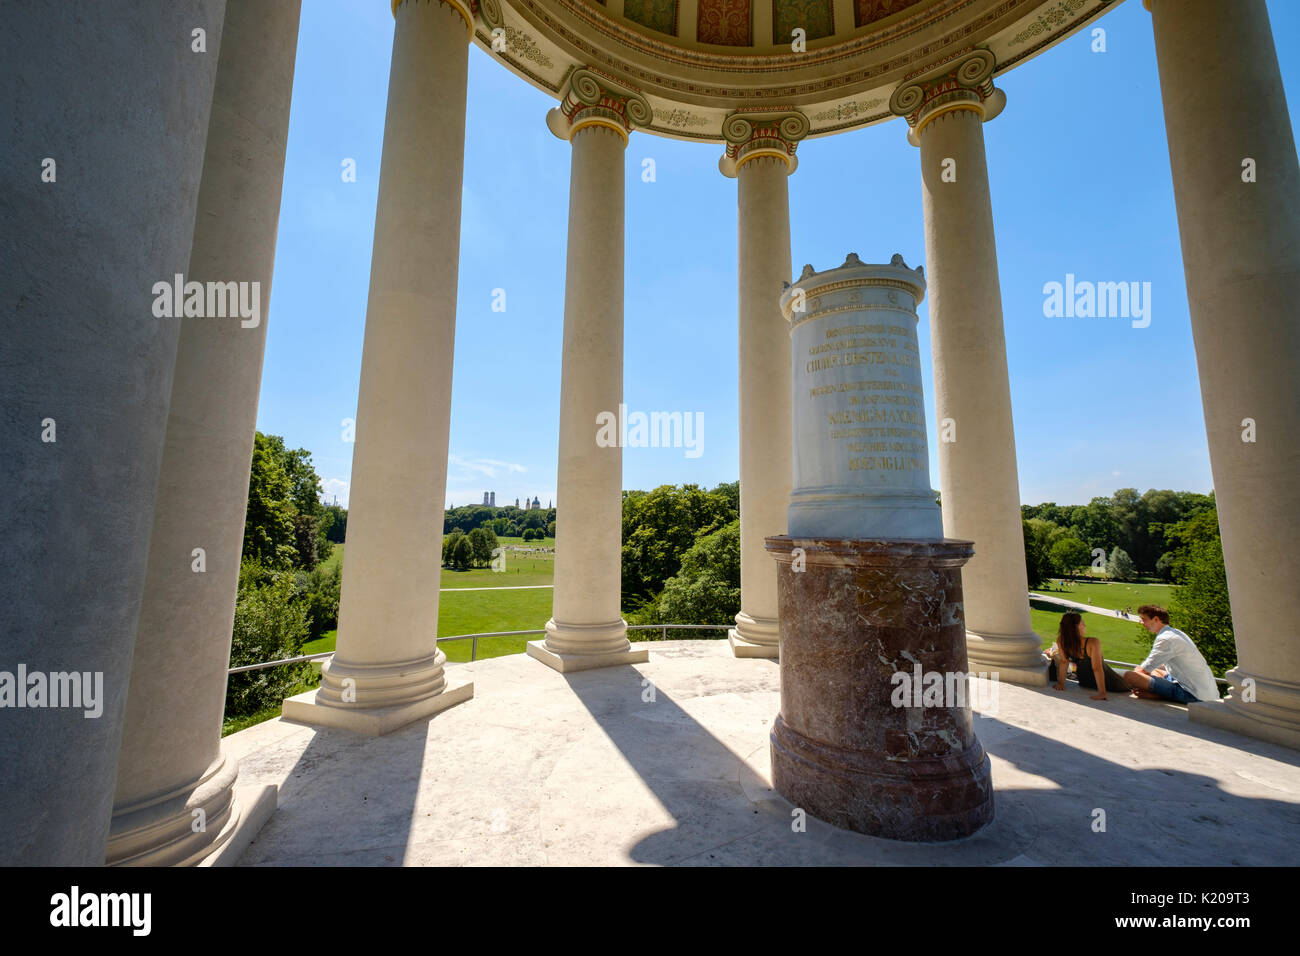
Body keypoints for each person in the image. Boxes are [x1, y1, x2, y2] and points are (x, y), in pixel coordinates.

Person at [1122, 605, 1219, 704]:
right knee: (1155, 671)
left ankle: (1159, 695)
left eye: (1144, 619)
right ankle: (1160, 693)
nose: (1142, 623)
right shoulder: (1175, 633)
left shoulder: (1165, 639)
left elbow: (1144, 669)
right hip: (1206, 693)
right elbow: (1156, 666)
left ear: (1156, 619)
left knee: (1130, 676)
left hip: (1193, 695)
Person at [1048, 612, 1126, 700]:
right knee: (1130, 675)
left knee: (1126, 674)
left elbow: (1064, 661)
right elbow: (1097, 668)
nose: (1085, 625)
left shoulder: (1062, 640)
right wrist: (1102, 693)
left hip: (1085, 682)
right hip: (1111, 683)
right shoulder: (1092, 642)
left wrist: (1061, 684)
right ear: (1076, 627)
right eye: (1082, 623)